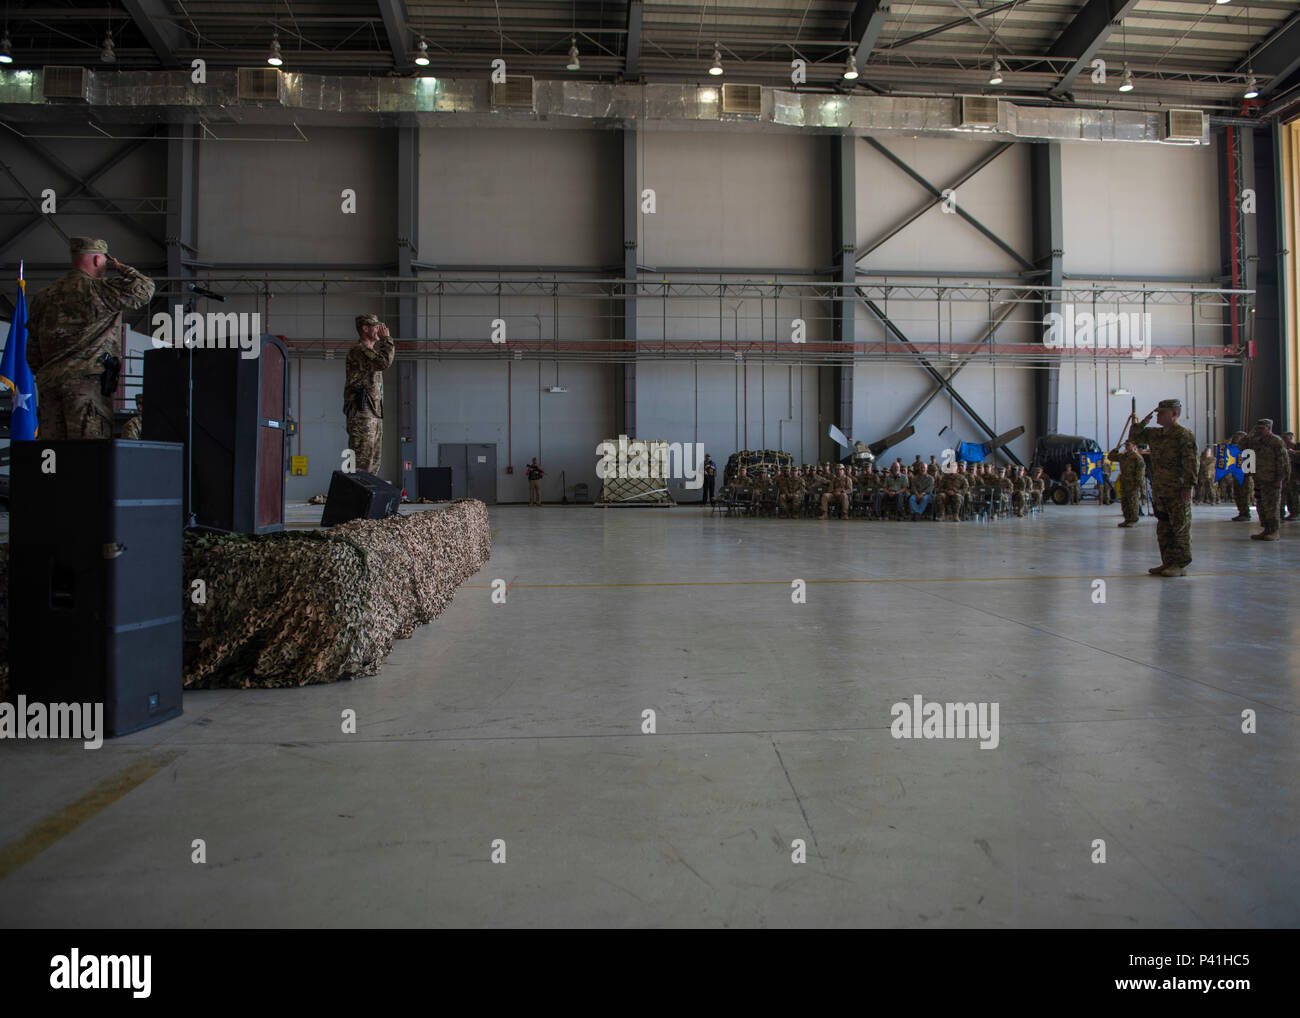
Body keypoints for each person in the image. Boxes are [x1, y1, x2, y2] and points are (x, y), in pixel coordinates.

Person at [26, 236, 155, 440]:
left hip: (50, 387)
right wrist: (122, 268)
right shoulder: (99, 290)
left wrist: (50, 373)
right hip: (87, 389)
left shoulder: (44, 296)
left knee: (52, 456)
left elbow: (32, 351)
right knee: (87, 457)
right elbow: (145, 289)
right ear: (97, 260)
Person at [1127, 399, 1198, 576]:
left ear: (1174, 414)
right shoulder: (1156, 434)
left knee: (1180, 527)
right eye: (1157, 412)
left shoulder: (1184, 435)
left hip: (1177, 489)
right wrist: (1143, 421)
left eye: (1162, 413)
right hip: (1161, 489)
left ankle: (1180, 565)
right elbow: (1134, 437)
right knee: (1164, 527)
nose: (1158, 416)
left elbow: (1191, 462)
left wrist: (1188, 487)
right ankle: (1167, 562)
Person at [344, 313, 395, 475]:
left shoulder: (370, 352)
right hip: (362, 410)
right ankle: (355, 497)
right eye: (376, 326)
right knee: (361, 459)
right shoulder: (359, 350)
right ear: (365, 328)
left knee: (373, 459)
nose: (380, 329)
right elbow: (383, 362)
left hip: (373, 411)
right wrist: (387, 340)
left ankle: (366, 495)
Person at [1242, 418, 1289, 541]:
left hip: (1272, 479)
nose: (1260, 431)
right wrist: (1250, 434)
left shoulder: (1276, 441)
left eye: (1262, 428)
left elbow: (1283, 462)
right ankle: (1266, 529)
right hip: (1259, 479)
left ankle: (1274, 531)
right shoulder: (1257, 441)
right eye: (1258, 428)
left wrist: (1280, 479)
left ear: (1269, 428)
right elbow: (1242, 446)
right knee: (1261, 506)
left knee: (1272, 506)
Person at [1110, 439, 1145, 527]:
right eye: (1125, 445)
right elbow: (1110, 457)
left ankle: (1133, 519)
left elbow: (1140, 472)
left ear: (1134, 446)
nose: (1126, 446)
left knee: (1132, 502)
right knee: (1125, 502)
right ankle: (1127, 519)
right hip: (1124, 482)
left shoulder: (1137, 458)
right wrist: (1116, 449)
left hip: (1132, 483)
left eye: (1128, 445)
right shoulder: (1123, 456)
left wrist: (1138, 484)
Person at [1225, 430, 1253, 522]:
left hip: (1244, 475)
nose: (1235, 439)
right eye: (1235, 437)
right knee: (1237, 493)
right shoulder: (1235, 447)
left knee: (1244, 493)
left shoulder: (1247, 448)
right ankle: (1241, 512)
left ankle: (1245, 513)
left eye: (1238, 437)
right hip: (1236, 473)